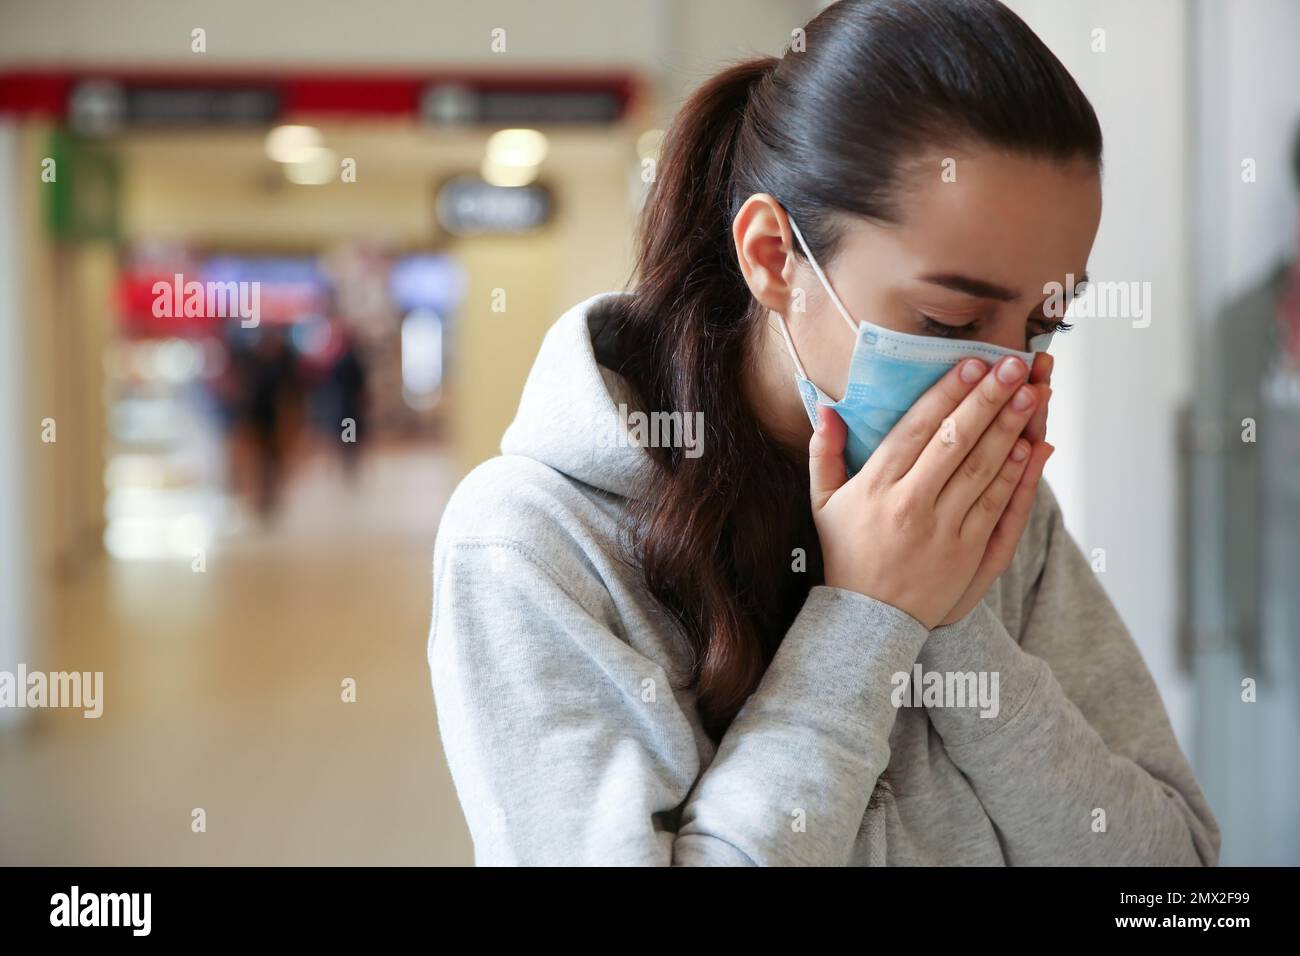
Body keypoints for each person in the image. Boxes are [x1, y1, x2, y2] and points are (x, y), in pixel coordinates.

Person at [427, 0, 1222, 866]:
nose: (1000, 382)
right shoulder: (535, 543)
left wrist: (952, 622)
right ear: (774, 258)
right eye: (948, 319)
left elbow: (1173, 872)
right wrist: (868, 621)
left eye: (1042, 326)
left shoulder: (992, 518)